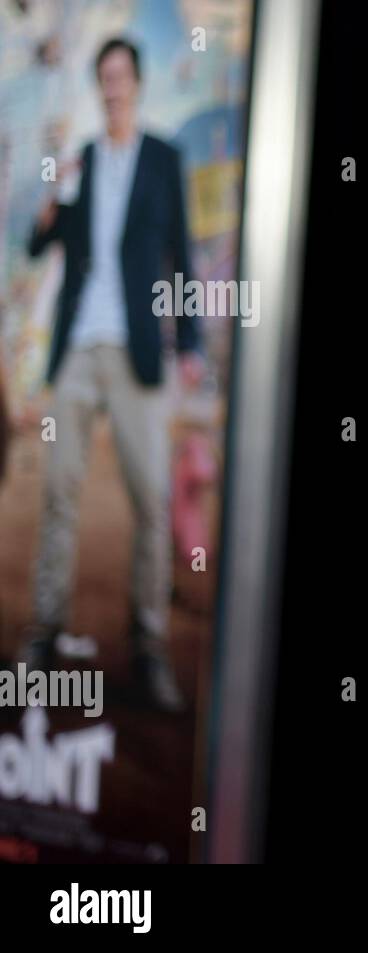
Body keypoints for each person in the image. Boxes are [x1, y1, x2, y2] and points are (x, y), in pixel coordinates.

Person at [20, 37, 205, 712]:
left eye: (123, 75)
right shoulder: (81, 163)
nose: (114, 87)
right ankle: (43, 634)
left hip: (136, 351)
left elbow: (181, 256)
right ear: (100, 88)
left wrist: (187, 340)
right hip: (78, 347)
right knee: (60, 492)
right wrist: (49, 207)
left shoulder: (163, 159)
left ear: (138, 82)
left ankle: (149, 645)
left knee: (151, 502)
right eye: (105, 78)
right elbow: (42, 246)